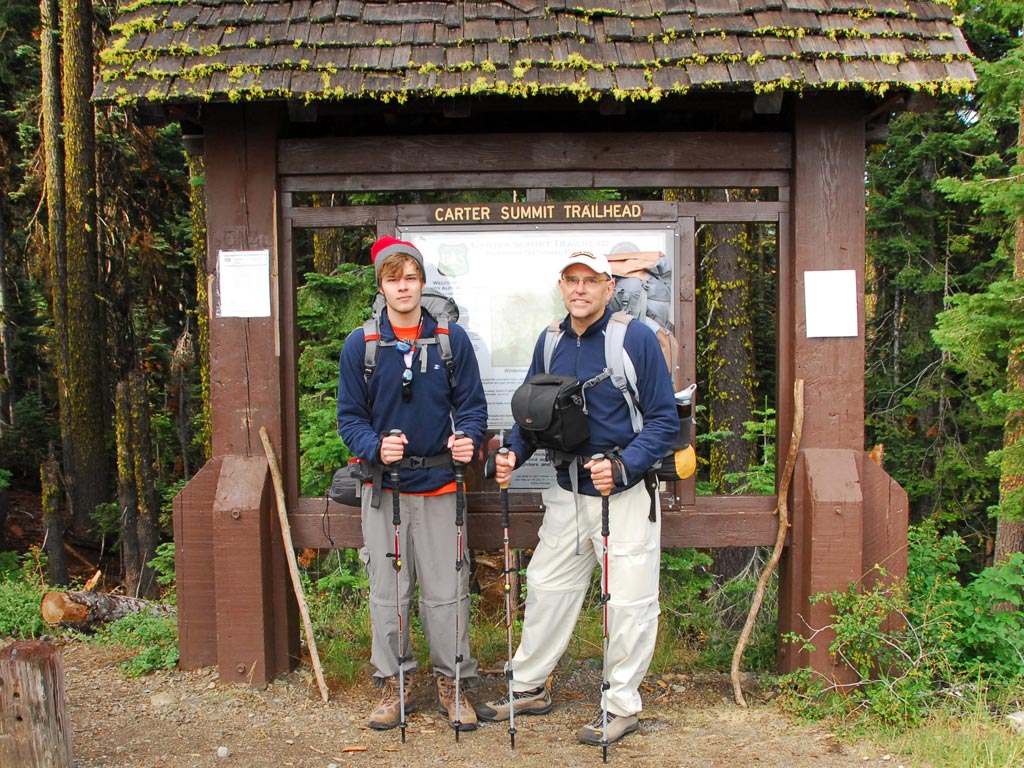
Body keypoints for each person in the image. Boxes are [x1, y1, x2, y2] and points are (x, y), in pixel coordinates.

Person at [478, 250, 677, 746]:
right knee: (546, 587)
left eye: (591, 280)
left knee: (628, 602)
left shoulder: (636, 339)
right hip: (567, 490)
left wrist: (625, 467)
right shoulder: (550, 341)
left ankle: (622, 706)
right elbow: (532, 415)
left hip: (626, 494)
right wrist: (510, 455)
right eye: (572, 280)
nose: (581, 289)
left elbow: (663, 421)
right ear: (561, 286)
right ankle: (528, 684)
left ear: (608, 287)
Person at [337, 236, 488, 732]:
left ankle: (454, 682)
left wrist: (467, 438)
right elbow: (349, 418)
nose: (403, 287)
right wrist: (375, 445)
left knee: (447, 591)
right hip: (385, 488)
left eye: (411, 277)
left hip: (442, 483)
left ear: (423, 282)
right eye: (393, 279)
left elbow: (472, 406)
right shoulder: (362, 344)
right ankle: (393, 683)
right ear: (381, 286)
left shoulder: (450, 340)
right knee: (389, 591)